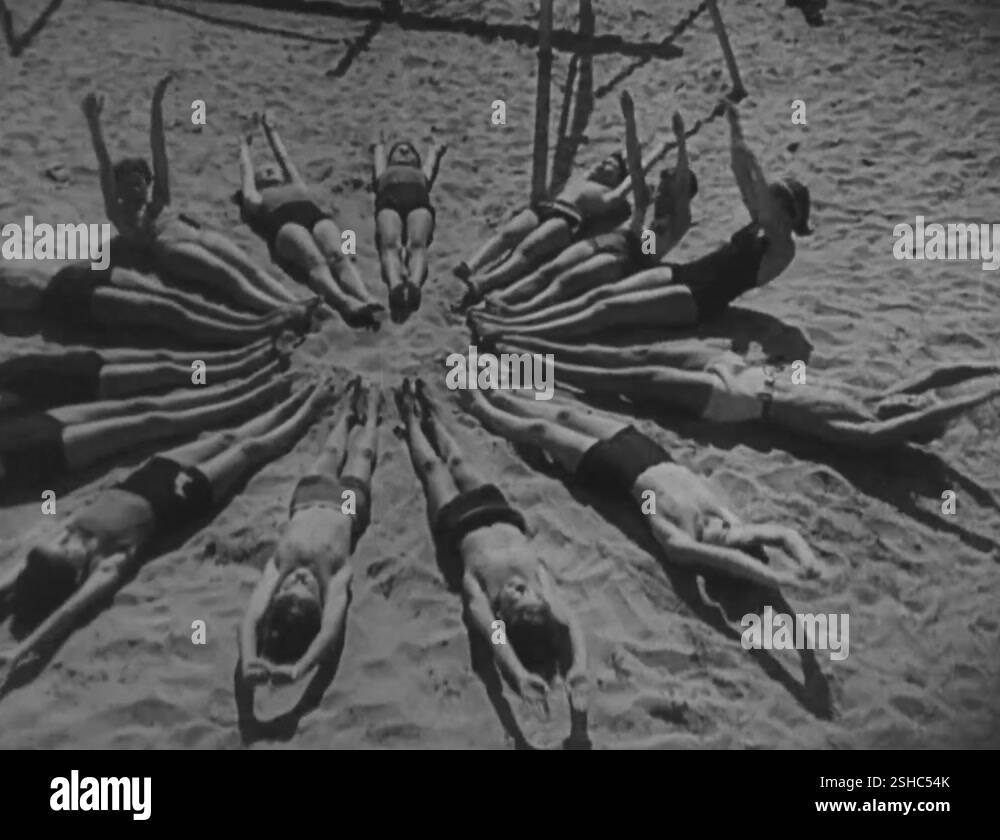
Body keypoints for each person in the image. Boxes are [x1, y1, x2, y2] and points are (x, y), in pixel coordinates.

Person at [0, 378, 332, 687]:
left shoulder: (60, 546)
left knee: (224, 439)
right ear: (73, 570)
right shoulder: (106, 565)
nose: (62, 540)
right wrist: (21, 652)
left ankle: (286, 401)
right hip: (180, 500)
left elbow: (13, 578)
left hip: (147, 477)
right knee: (248, 451)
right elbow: (67, 613)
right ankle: (308, 409)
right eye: (64, 548)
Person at [469, 99, 812, 342]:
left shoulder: (781, 248)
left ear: (792, 214)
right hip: (680, 270)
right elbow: (739, 171)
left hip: (700, 296)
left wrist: (688, 145)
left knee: (608, 308)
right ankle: (515, 314)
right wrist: (734, 125)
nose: (664, 185)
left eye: (779, 198)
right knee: (596, 295)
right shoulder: (754, 224)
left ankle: (517, 331)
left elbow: (731, 191)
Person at [459, 385, 824, 592]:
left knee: (540, 433)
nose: (725, 529)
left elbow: (729, 559)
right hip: (646, 450)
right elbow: (784, 535)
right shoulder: (727, 519)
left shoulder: (679, 542)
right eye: (735, 532)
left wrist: (776, 578)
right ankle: (502, 395)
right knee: (567, 414)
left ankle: (481, 408)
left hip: (612, 471)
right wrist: (806, 564)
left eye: (724, 539)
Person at [398, 378, 588, 714]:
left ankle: (410, 420)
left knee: (433, 470)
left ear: (502, 615)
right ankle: (433, 419)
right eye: (528, 595)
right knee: (458, 461)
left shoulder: (481, 594)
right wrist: (578, 669)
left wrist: (516, 673)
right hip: (500, 511)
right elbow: (570, 622)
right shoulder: (542, 583)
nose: (519, 589)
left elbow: (493, 636)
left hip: (458, 523)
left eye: (515, 600)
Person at [495, 336, 1000, 450]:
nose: (911, 399)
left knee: (631, 384)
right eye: (915, 399)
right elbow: (942, 373)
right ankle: (523, 341)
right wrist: (992, 367)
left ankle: (529, 364)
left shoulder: (862, 428)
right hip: (746, 370)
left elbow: (906, 423)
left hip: (739, 404)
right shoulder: (884, 395)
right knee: (633, 356)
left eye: (916, 411)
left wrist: (979, 400)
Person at [82, 74, 313, 318]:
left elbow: (158, 148)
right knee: (227, 276)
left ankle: (294, 300)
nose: (135, 189)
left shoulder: (159, 199)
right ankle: (281, 310)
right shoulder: (121, 214)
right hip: (171, 247)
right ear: (119, 191)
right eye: (128, 186)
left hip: (198, 234)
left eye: (138, 183)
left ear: (147, 183)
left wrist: (157, 102)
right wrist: (93, 122)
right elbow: (104, 166)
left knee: (248, 266)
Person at [455, 91, 682, 308]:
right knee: (506, 236)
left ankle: (484, 284)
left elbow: (635, 169)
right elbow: (628, 157)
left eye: (612, 167)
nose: (605, 165)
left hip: (568, 218)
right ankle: (471, 265)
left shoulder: (611, 194)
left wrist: (660, 147)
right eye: (604, 162)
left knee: (526, 253)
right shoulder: (582, 180)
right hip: (546, 208)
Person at [239, 378, 381, 686]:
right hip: (345, 508)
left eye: (290, 586)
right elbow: (330, 631)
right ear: (320, 602)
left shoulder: (279, 567)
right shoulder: (334, 576)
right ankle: (371, 416)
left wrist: (249, 659)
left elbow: (251, 620)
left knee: (331, 450)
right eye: (306, 589)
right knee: (363, 457)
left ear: (278, 591)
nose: (299, 578)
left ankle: (347, 415)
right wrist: (299, 669)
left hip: (308, 497)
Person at [0, 363, 290, 486]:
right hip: (39, 454)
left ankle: (242, 388)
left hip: (24, 427)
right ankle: (246, 399)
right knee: (150, 423)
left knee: (140, 407)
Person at [238, 111, 385, 328]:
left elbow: (284, 159)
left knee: (339, 256)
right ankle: (344, 303)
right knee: (314, 261)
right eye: (263, 172)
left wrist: (271, 131)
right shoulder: (258, 197)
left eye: (272, 168)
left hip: (314, 217)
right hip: (284, 224)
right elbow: (246, 175)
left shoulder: (296, 185)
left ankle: (365, 296)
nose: (268, 169)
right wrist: (244, 146)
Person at [0, 258, 307, 348]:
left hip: (78, 270)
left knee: (172, 297)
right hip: (64, 299)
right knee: (164, 313)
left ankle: (265, 319)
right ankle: (254, 331)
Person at [0, 336, 289, 412]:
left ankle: (237, 358)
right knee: (167, 371)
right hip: (88, 385)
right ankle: (235, 369)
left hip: (80, 361)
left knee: (162, 357)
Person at [370, 131, 447, 316]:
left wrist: (435, 149)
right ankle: (395, 285)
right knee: (389, 244)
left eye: (410, 150)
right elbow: (378, 157)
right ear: (391, 158)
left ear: (416, 160)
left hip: (418, 199)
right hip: (389, 199)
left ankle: (414, 284)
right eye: (398, 149)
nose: (404, 150)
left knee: (418, 245)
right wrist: (379, 146)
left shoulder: (420, 174)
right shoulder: (385, 173)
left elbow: (431, 162)